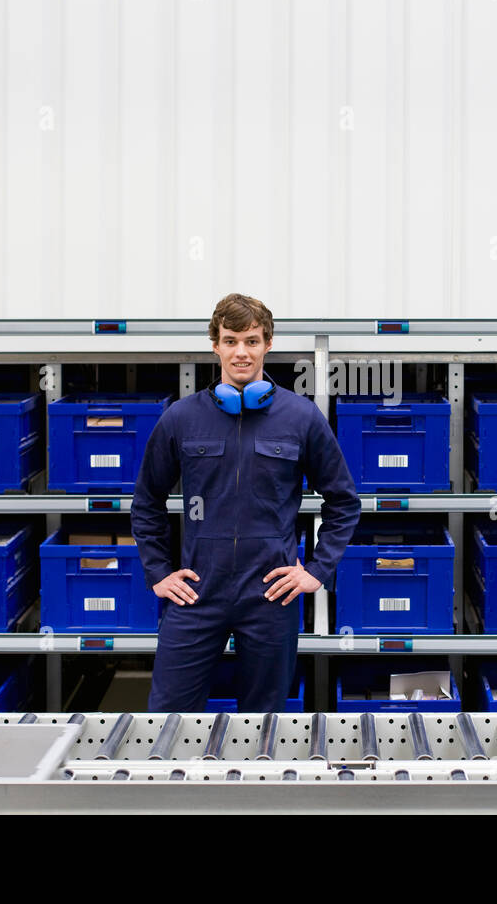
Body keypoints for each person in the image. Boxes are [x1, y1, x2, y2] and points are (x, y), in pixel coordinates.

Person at [131, 294, 361, 712]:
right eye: (231, 340)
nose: (241, 352)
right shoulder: (181, 419)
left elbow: (343, 501)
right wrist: (159, 572)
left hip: (270, 596)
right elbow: (147, 501)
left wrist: (316, 571)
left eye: (252, 341)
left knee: (264, 721)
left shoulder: (301, 417)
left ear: (268, 344)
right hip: (197, 594)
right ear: (215, 345)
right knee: (167, 714)